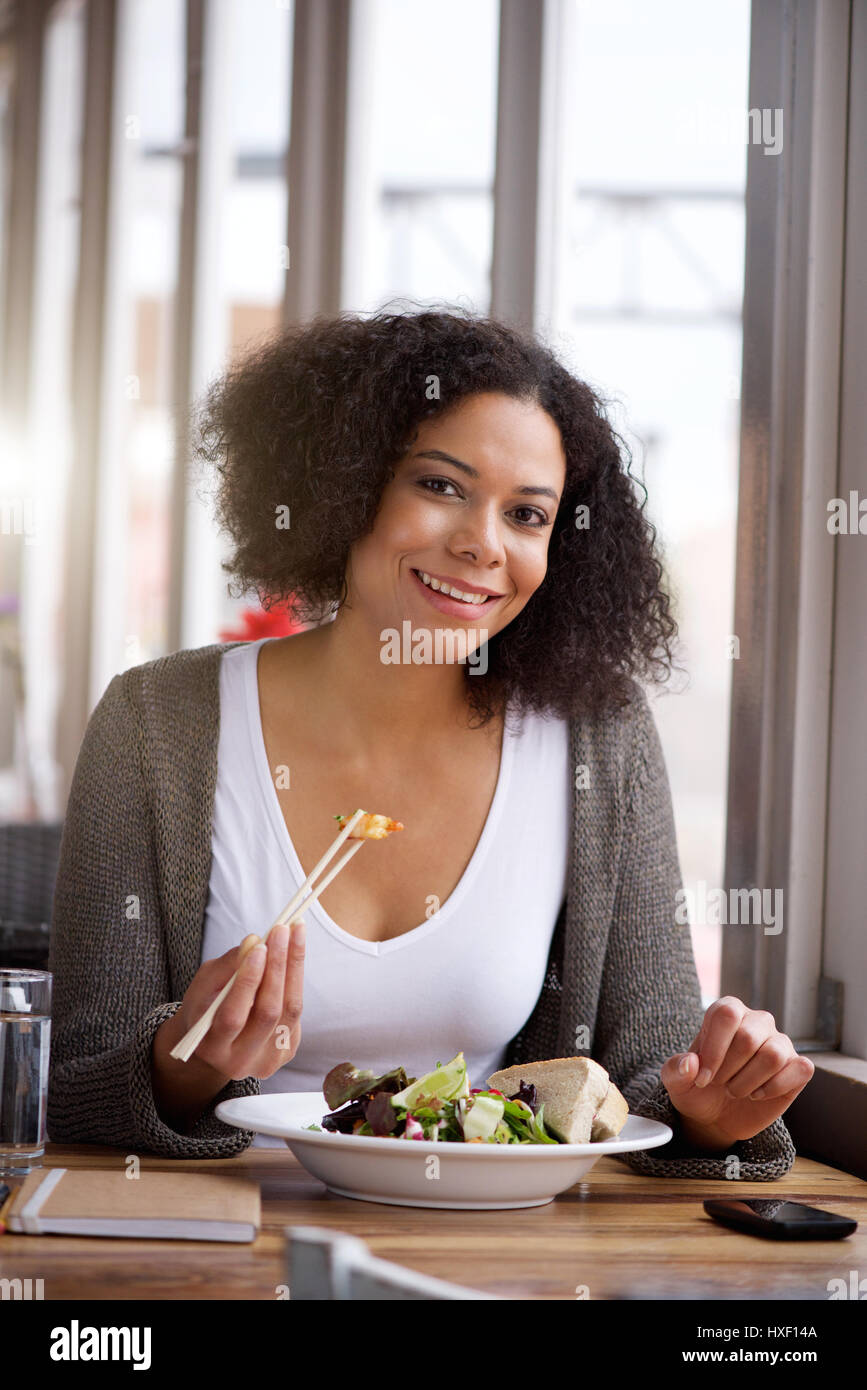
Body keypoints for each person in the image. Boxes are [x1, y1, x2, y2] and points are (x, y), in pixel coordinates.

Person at [47, 307, 812, 1175]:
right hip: (219, 1237)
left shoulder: (600, 740)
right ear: (346, 485)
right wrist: (182, 1067)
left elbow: (649, 1079)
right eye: (440, 486)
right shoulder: (157, 722)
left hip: (488, 1253)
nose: (480, 544)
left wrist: (709, 1113)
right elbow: (71, 1080)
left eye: (526, 515)